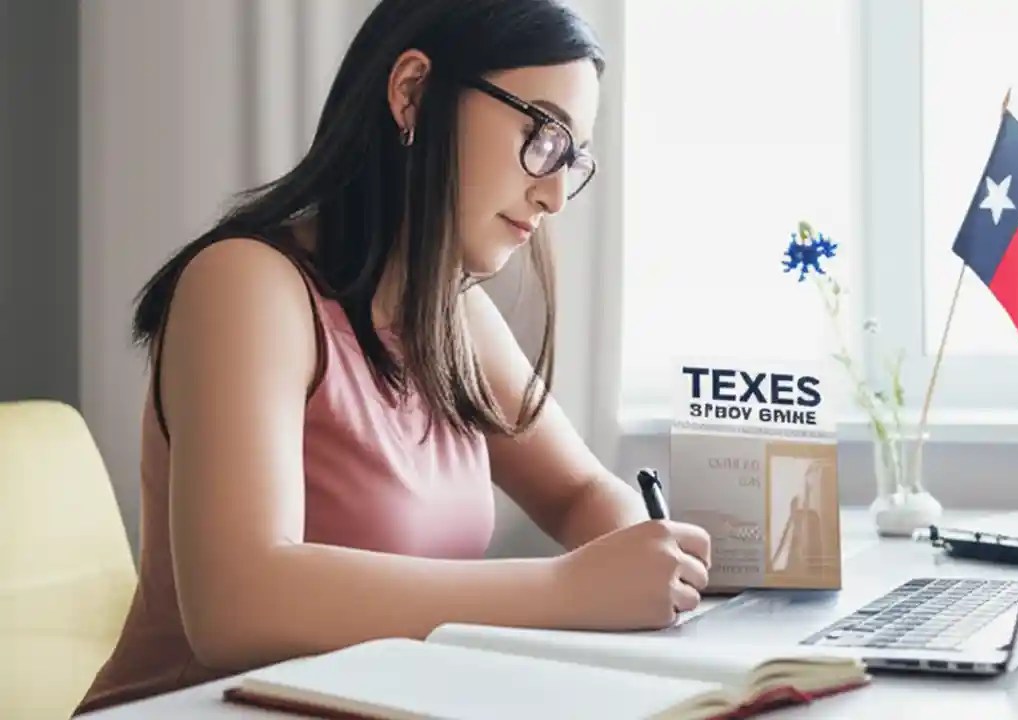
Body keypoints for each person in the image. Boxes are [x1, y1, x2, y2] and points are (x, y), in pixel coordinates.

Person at [75, 0, 711, 713]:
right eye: (542, 135)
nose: (557, 193)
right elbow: (238, 605)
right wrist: (573, 590)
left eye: (575, 158)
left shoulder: (452, 315)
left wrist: (655, 567)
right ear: (412, 93)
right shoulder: (246, 286)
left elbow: (577, 491)